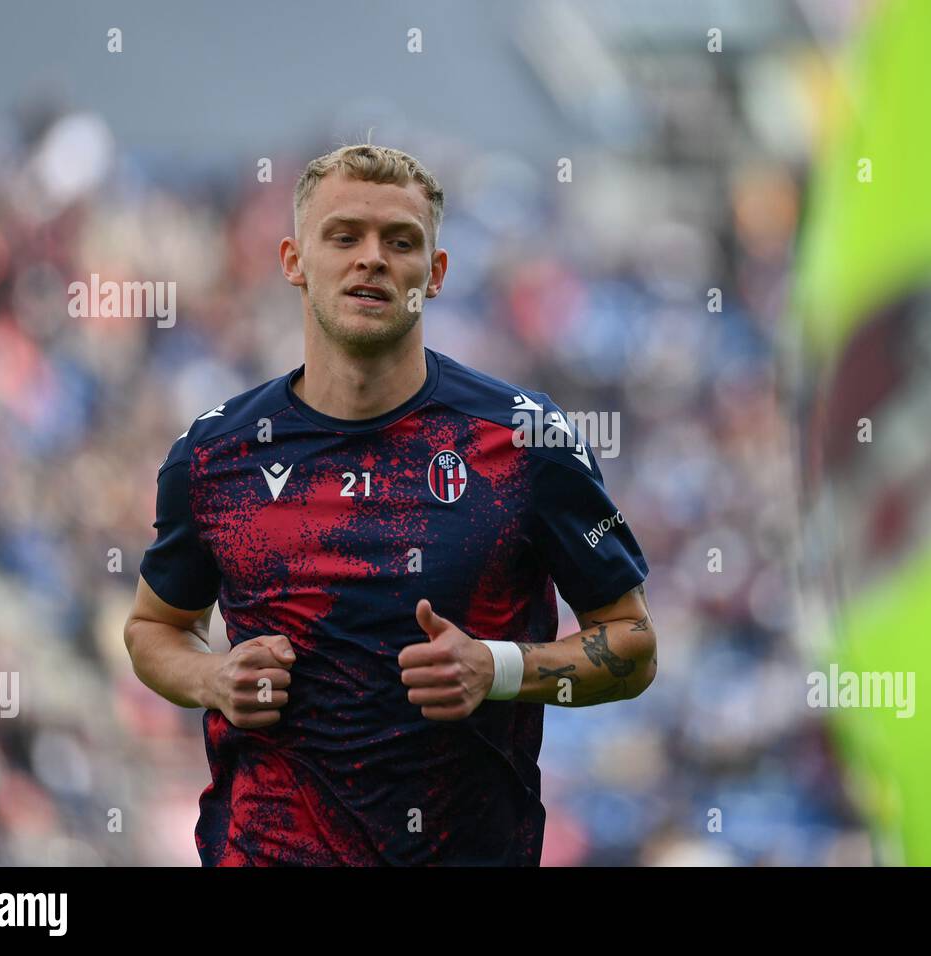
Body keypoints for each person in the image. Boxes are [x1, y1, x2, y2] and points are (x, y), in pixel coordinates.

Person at [123, 144, 656, 865]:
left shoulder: (527, 439)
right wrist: (211, 677)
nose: (371, 259)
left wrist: (497, 670)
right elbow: (155, 628)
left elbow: (632, 646)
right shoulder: (216, 455)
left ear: (433, 275)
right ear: (293, 260)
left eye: (400, 241)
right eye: (344, 236)